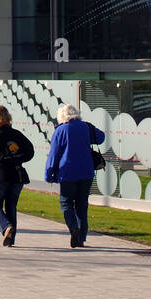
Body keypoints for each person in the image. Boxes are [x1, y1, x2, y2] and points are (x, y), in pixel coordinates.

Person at [44, 103, 105, 248]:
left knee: (66, 203)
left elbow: (54, 155)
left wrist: (49, 174)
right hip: (86, 172)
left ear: (61, 116)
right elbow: (101, 137)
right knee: (82, 205)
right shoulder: (85, 127)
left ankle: (74, 229)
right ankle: (81, 237)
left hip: (67, 173)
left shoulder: (60, 131)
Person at [0, 105, 34, 246]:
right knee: (11, 206)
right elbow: (30, 151)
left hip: (0, 176)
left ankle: (6, 227)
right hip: (17, 175)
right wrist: (18, 158)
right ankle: (11, 238)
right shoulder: (17, 135)